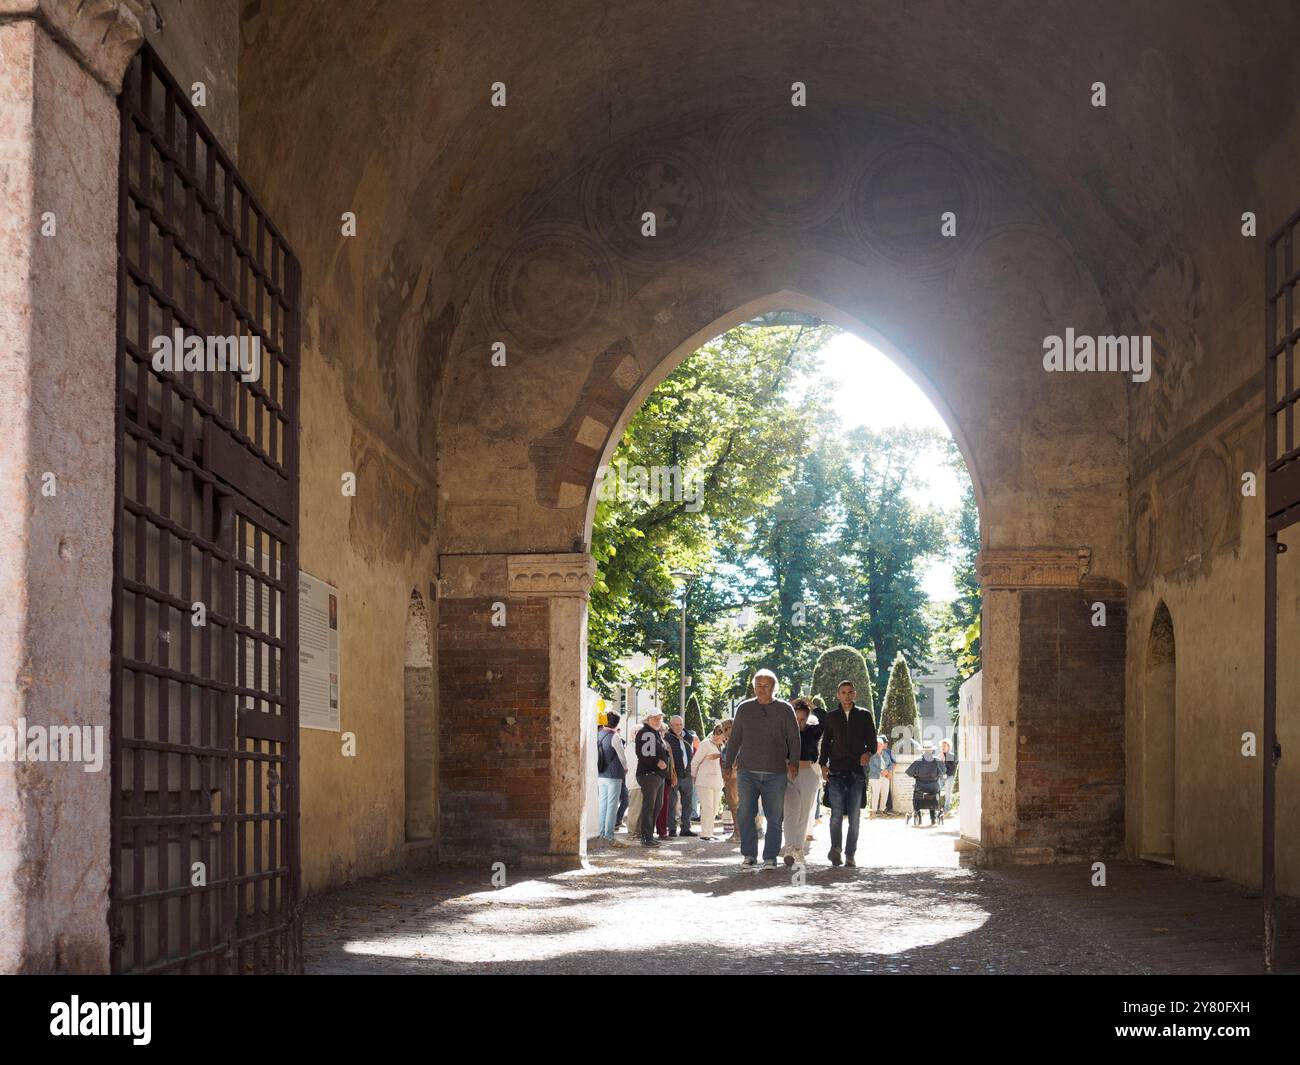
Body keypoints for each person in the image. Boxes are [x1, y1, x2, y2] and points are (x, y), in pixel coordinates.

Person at [722, 669, 800, 869]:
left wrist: (794, 762)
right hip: (747, 771)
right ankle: (749, 855)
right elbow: (735, 738)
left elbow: (794, 738)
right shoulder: (744, 708)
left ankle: (770, 857)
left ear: (774, 687)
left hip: (776, 772)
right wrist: (727, 764)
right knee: (745, 813)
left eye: (766, 686)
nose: (761, 689)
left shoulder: (784, 709)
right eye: (758, 685)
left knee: (774, 817)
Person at [818, 680, 877, 868]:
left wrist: (868, 753)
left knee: (854, 817)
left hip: (856, 773)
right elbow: (826, 743)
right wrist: (823, 765)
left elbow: (872, 742)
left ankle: (850, 855)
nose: (847, 696)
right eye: (843, 692)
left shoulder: (864, 715)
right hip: (835, 772)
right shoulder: (831, 717)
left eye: (850, 692)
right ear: (838, 695)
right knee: (835, 815)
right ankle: (836, 849)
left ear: (855, 694)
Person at [780, 697, 823, 866]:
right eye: (796, 719)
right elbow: (781, 714)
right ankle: (789, 847)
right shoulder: (786, 731)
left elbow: (824, 718)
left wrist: (810, 704)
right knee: (791, 810)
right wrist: (794, 702)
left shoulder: (813, 731)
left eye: (803, 719)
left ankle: (799, 849)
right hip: (788, 774)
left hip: (808, 773)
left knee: (805, 812)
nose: (799, 722)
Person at [634, 711, 671, 846]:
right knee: (650, 806)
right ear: (648, 719)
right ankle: (646, 837)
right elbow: (643, 753)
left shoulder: (654, 733)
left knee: (657, 805)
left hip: (657, 775)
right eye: (655, 718)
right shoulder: (647, 732)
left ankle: (648, 835)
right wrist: (657, 762)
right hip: (649, 774)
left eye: (660, 718)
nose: (658, 720)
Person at [596, 711, 628, 846]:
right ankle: (609, 836)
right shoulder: (615, 736)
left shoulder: (599, 734)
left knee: (602, 804)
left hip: (601, 773)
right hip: (614, 774)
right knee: (612, 805)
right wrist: (625, 768)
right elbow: (622, 756)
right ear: (617, 723)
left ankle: (602, 833)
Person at [665, 715, 698, 837]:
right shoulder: (667, 737)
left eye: (680, 724)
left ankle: (685, 828)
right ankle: (672, 829)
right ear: (671, 725)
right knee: (671, 803)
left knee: (688, 803)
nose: (678, 727)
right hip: (674, 775)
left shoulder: (688, 737)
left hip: (687, 775)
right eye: (676, 725)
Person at [692, 724, 727, 840]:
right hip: (704, 781)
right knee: (707, 807)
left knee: (715, 808)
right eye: (722, 735)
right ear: (717, 734)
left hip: (717, 782)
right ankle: (705, 833)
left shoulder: (721, 747)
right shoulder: (705, 744)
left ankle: (710, 832)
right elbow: (695, 762)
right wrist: (693, 776)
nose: (723, 738)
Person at [906, 740, 945, 824]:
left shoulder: (918, 761)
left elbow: (909, 773)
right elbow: (942, 773)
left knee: (916, 794)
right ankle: (933, 818)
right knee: (934, 794)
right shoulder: (937, 760)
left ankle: (918, 814)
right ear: (931, 750)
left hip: (920, 787)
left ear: (923, 750)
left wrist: (916, 775)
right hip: (933, 787)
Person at [867, 734, 895, 818]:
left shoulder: (886, 754)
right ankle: (874, 811)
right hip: (875, 777)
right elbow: (871, 765)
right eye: (877, 745)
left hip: (885, 776)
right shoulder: (871, 754)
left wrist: (887, 770)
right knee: (876, 793)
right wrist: (881, 771)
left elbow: (890, 764)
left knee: (885, 793)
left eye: (880, 745)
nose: (879, 746)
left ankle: (882, 810)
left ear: (883, 746)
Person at [939, 738, 957, 813]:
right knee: (936, 791)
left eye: (944, 745)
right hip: (940, 777)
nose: (943, 747)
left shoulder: (951, 755)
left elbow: (952, 768)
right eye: (942, 745)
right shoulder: (939, 755)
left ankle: (947, 810)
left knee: (948, 793)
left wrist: (944, 760)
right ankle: (937, 808)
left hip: (949, 776)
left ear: (949, 746)